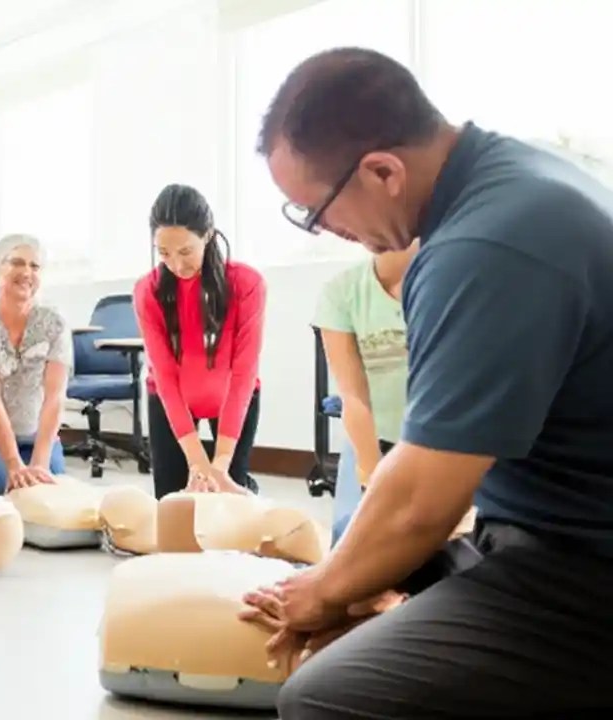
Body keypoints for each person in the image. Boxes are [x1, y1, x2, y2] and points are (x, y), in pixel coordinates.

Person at [238, 46, 613, 718]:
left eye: (317, 213)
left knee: (321, 698)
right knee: (359, 589)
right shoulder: (515, 181)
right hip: (542, 527)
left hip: (581, 564)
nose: (329, 232)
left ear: (383, 171)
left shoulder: (483, 248)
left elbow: (421, 501)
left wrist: (323, 591)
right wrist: (348, 580)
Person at [133, 184, 266, 499]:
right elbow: (165, 377)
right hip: (171, 400)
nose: (176, 265)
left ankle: (242, 483)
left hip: (232, 397)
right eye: (164, 253)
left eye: (185, 251)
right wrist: (197, 461)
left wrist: (219, 464)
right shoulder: (148, 291)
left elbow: (243, 373)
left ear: (207, 235)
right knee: (172, 502)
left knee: (228, 498)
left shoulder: (247, 284)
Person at [311, 242, 417, 545]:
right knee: (351, 537)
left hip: (439, 440)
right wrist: (372, 476)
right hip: (370, 434)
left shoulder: (449, 283)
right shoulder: (342, 291)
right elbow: (353, 397)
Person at [0, 234, 72, 496]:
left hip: (36, 433)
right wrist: (13, 464)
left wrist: (40, 464)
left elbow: (55, 397)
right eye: (17, 263)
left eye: (34, 266)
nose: (26, 272)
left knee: (45, 494)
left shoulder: (55, 323)